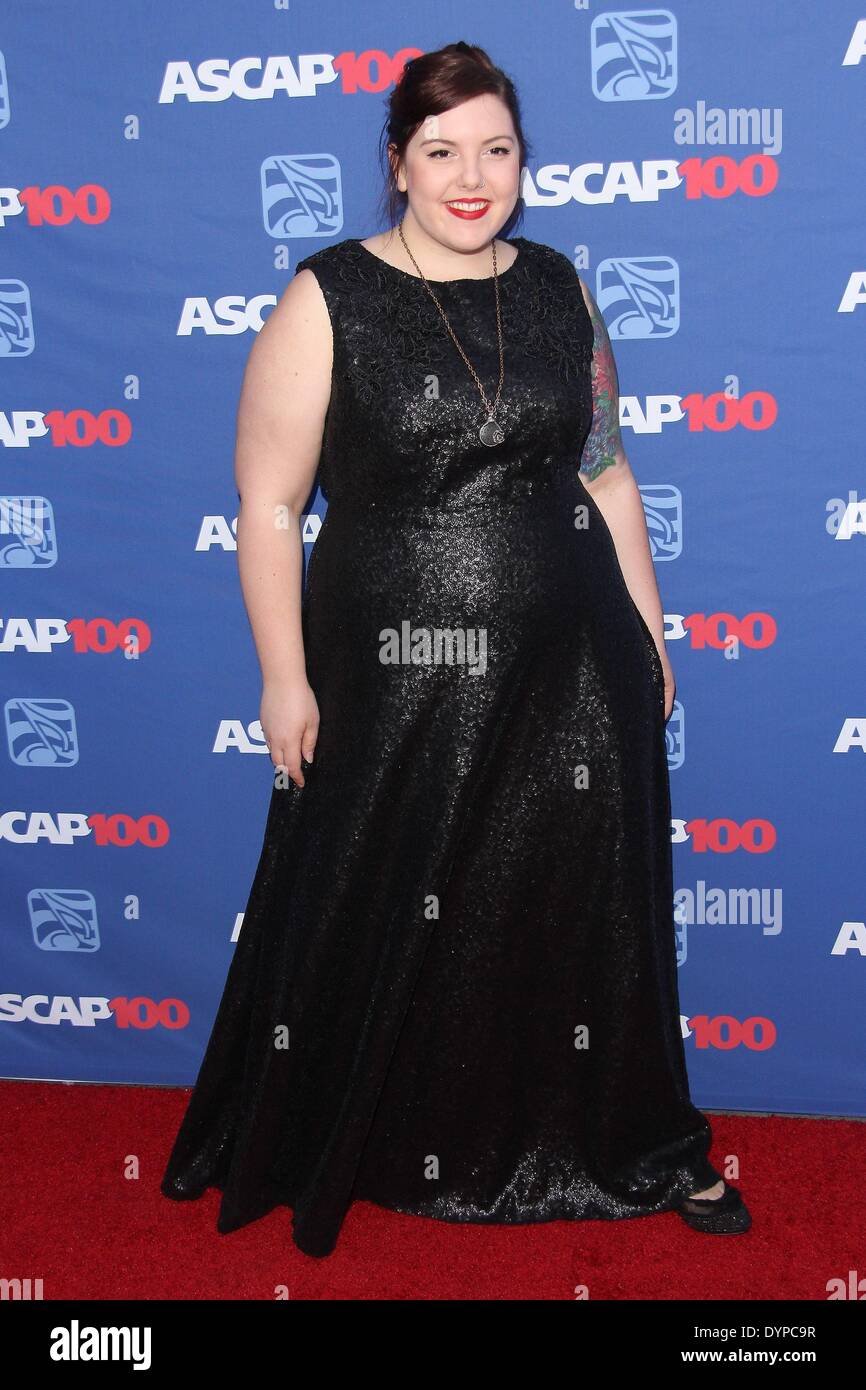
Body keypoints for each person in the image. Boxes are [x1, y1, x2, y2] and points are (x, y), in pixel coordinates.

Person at [161, 41, 751, 1257]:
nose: (469, 176)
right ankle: (366, 1130)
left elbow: (606, 466)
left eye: (494, 149)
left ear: (524, 163)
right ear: (397, 164)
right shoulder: (329, 295)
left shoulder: (555, 287)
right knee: (382, 889)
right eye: (440, 152)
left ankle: (628, 1140)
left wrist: (647, 629)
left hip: (569, 660)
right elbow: (269, 504)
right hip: (391, 667)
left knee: (573, 901)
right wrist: (282, 675)